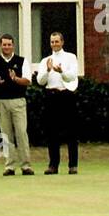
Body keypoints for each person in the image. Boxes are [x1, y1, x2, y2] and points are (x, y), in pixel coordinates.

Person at [34, 31, 80, 174]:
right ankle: (53, 165)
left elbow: (72, 77)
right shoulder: (45, 61)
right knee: (52, 133)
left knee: (71, 132)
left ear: (62, 42)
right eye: (52, 42)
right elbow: (40, 81)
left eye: (57, 41)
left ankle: (73, 165)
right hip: (51, 96)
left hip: (66, 96)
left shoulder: (71, 57)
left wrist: (61, 72)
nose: (54, 44)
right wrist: (47, 70)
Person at [0, 34, 33, 176]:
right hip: (0, 101)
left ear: (13, 45)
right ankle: (10, 166)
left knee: (21, 133)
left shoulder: (21, 61)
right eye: (4, 44)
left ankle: (26, 165)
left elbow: (27, 81)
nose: (6, 47)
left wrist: (15, 79)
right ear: (0, 45)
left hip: (18, 100)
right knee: (6, 134)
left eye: (9, 44)